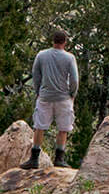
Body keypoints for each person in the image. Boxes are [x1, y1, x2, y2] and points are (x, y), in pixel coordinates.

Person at [25, 28, 79, 169]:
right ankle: (59, 159)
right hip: (63, 98)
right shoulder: (69, 58)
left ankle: (34, 159)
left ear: (52, 41)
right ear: (65, 42)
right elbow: (74, 80)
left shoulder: (42, 55)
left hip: (45, 96)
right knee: (63, 128)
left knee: (39, 127)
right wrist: (72, 94)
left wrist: (38, 91)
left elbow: (36, 75)